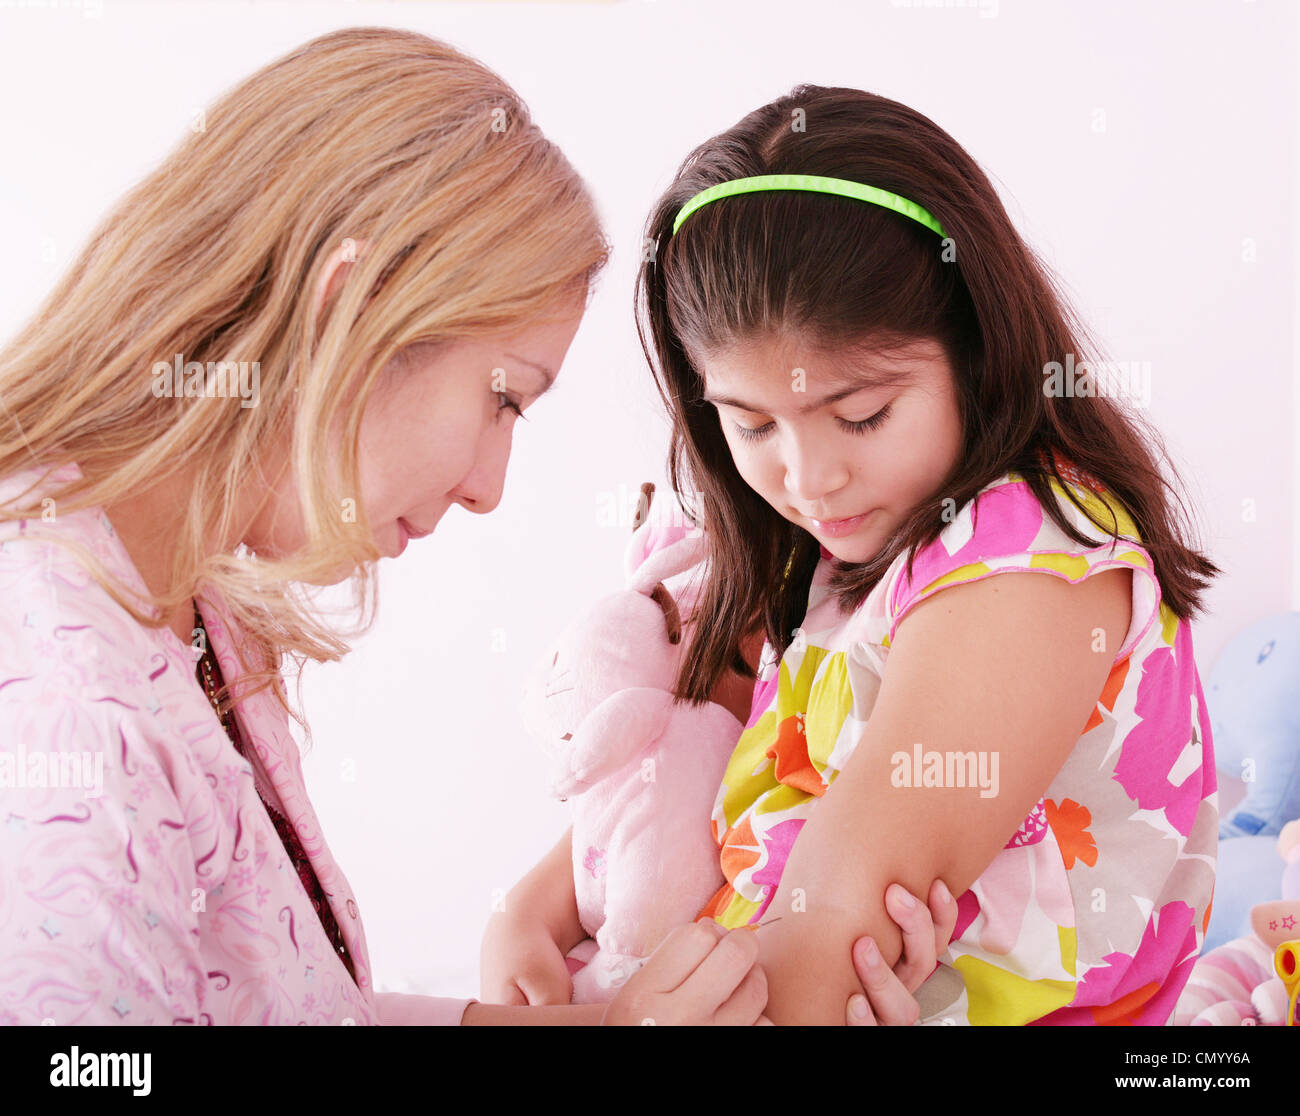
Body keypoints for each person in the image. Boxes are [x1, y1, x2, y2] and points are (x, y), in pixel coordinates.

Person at [0, 28, 949, 1027]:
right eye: (504, 398)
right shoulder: (59, 697)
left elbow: (272, 1005)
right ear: (349, 306)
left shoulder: (167, 594)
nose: (490, 487)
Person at [610, 84, 1218, 1026]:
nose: (811, 479)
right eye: (750, 421)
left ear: (977, 349)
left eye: (861, 416)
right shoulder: (826, 546)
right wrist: (543, 902)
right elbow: (677, 758)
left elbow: (809, 979)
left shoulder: (1027, 566)